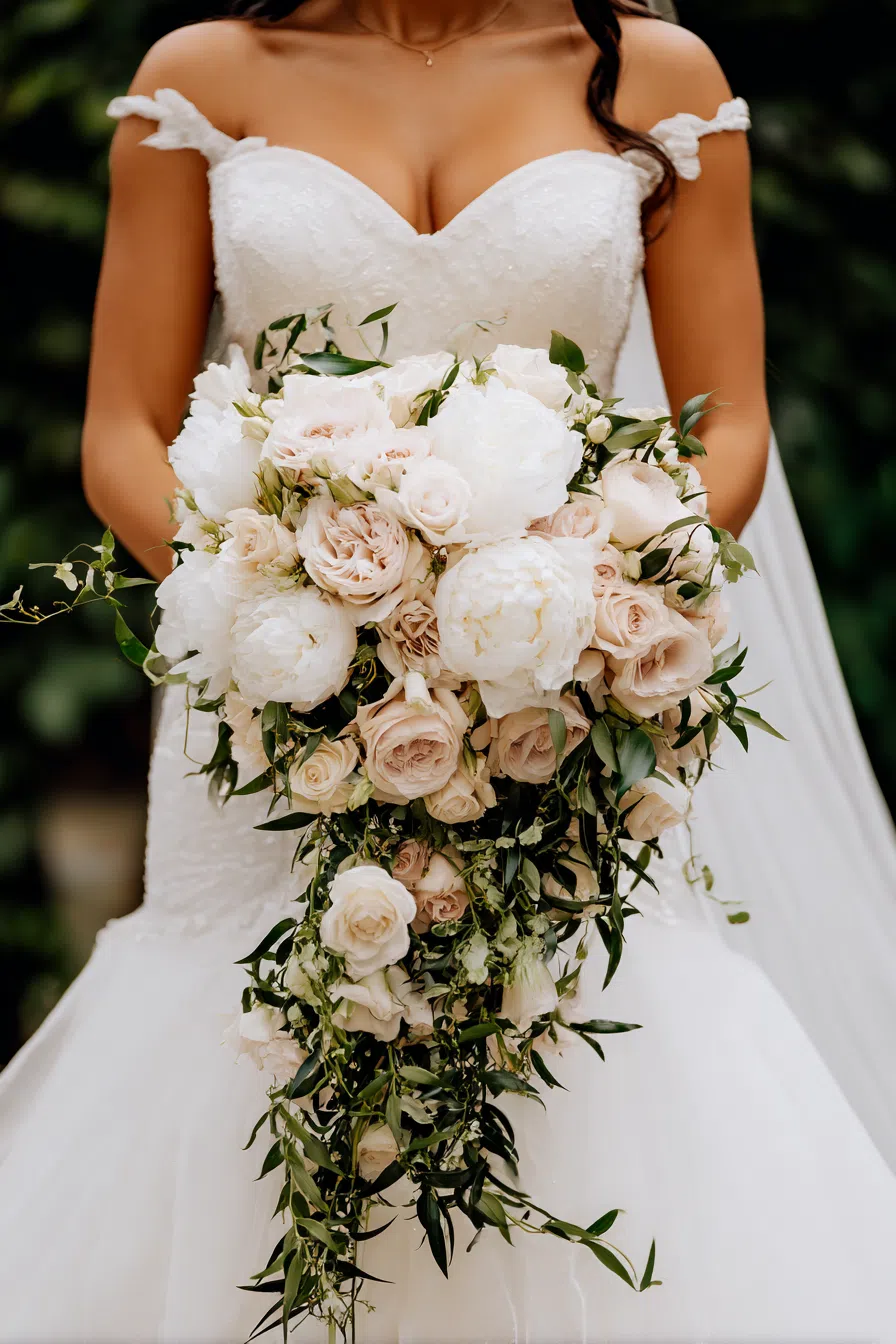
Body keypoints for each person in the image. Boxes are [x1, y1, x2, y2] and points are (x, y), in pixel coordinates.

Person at [1, 3, 895, 1340]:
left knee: (575, 1030)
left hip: (563, 699)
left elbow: (735, 424)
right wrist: (286, 603)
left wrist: (589, 615)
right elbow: (122, 429)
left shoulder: (656, 79)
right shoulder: (203, 80)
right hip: (272, 694)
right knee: (249, 1038)